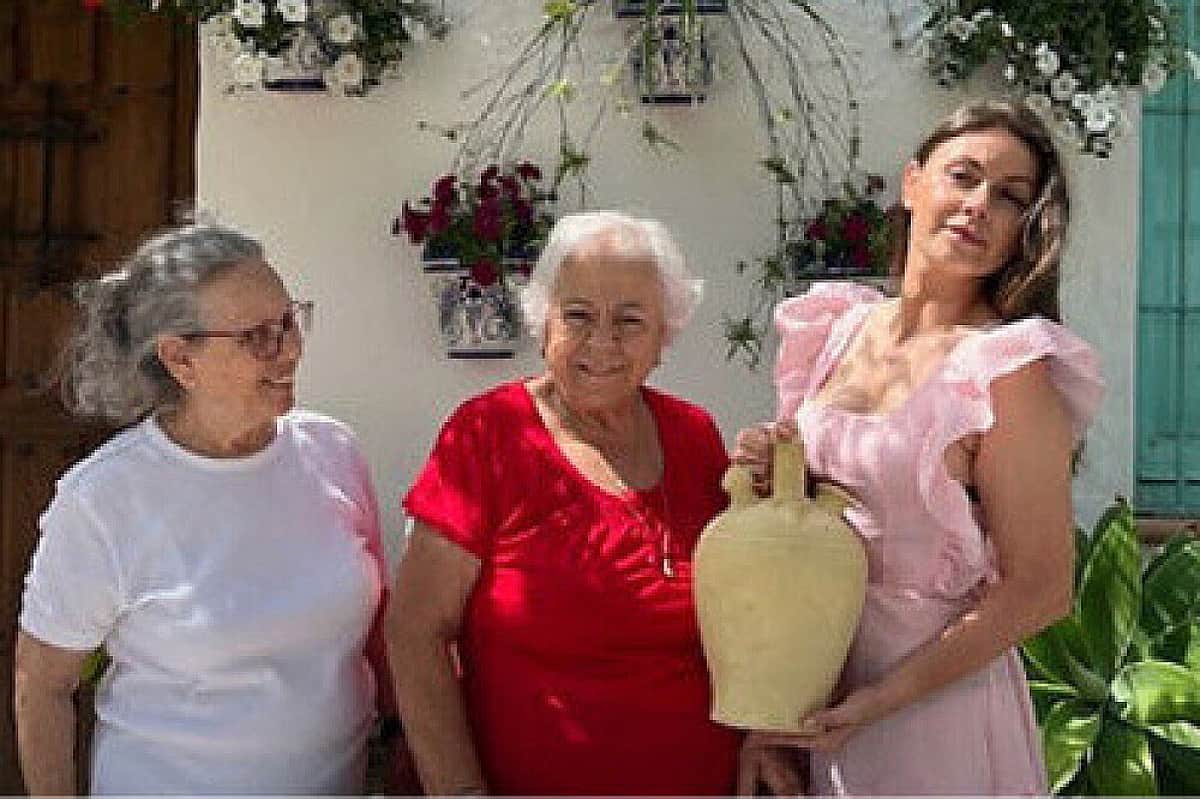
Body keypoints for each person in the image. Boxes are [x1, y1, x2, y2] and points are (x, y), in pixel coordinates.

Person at [734, 100, 1104, 795]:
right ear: (911, 185)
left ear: (1023, 229)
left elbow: (1042, 588)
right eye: (962, 176)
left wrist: (881, 703)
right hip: (823, 697)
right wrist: (773, 468)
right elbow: (801, 537)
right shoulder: (838, 332)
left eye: (1009, 197)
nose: (977, 205)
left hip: (938, 716)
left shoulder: (1006, 367)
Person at [14, 222, 398, 794]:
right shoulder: (103, 499)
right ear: (179, 359)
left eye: (289, 322)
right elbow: (41, 684)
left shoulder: (333, 451)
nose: (289, 349)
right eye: (256, 337)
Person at [386, 211, 741, 795]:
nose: (602, 343)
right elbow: (415, 630)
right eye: (578, 315)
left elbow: (744, 619)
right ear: (543, 322)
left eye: (630, 321)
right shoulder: (487, 436)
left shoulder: (696, 437)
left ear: (664, 337)